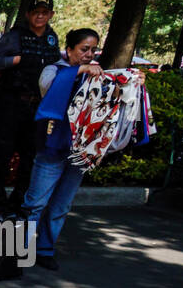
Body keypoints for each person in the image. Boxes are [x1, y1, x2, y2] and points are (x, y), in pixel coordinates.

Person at [19, 28, 138, 272]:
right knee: (35, 202)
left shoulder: (97, 75)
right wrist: (79, 71)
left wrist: (132, 82)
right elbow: (48, 91)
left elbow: (114, 100)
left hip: (81, 148)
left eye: (93, 50)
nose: (89, 54)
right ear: (69, 49)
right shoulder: (54, 70)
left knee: (62, 205)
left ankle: (45, 249)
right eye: (84, 49)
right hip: (52, 146)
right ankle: (20, 249)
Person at [0, 0, 60, 216]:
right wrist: (17, 59)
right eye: (36, 12)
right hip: (11, 103)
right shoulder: (15, 36)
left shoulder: (52, 39)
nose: (40, 16)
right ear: (28, 14)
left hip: (37, 106)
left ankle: (18, 198)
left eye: (45, 12)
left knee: (30, 153)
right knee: (2, 150)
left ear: (50, 15)